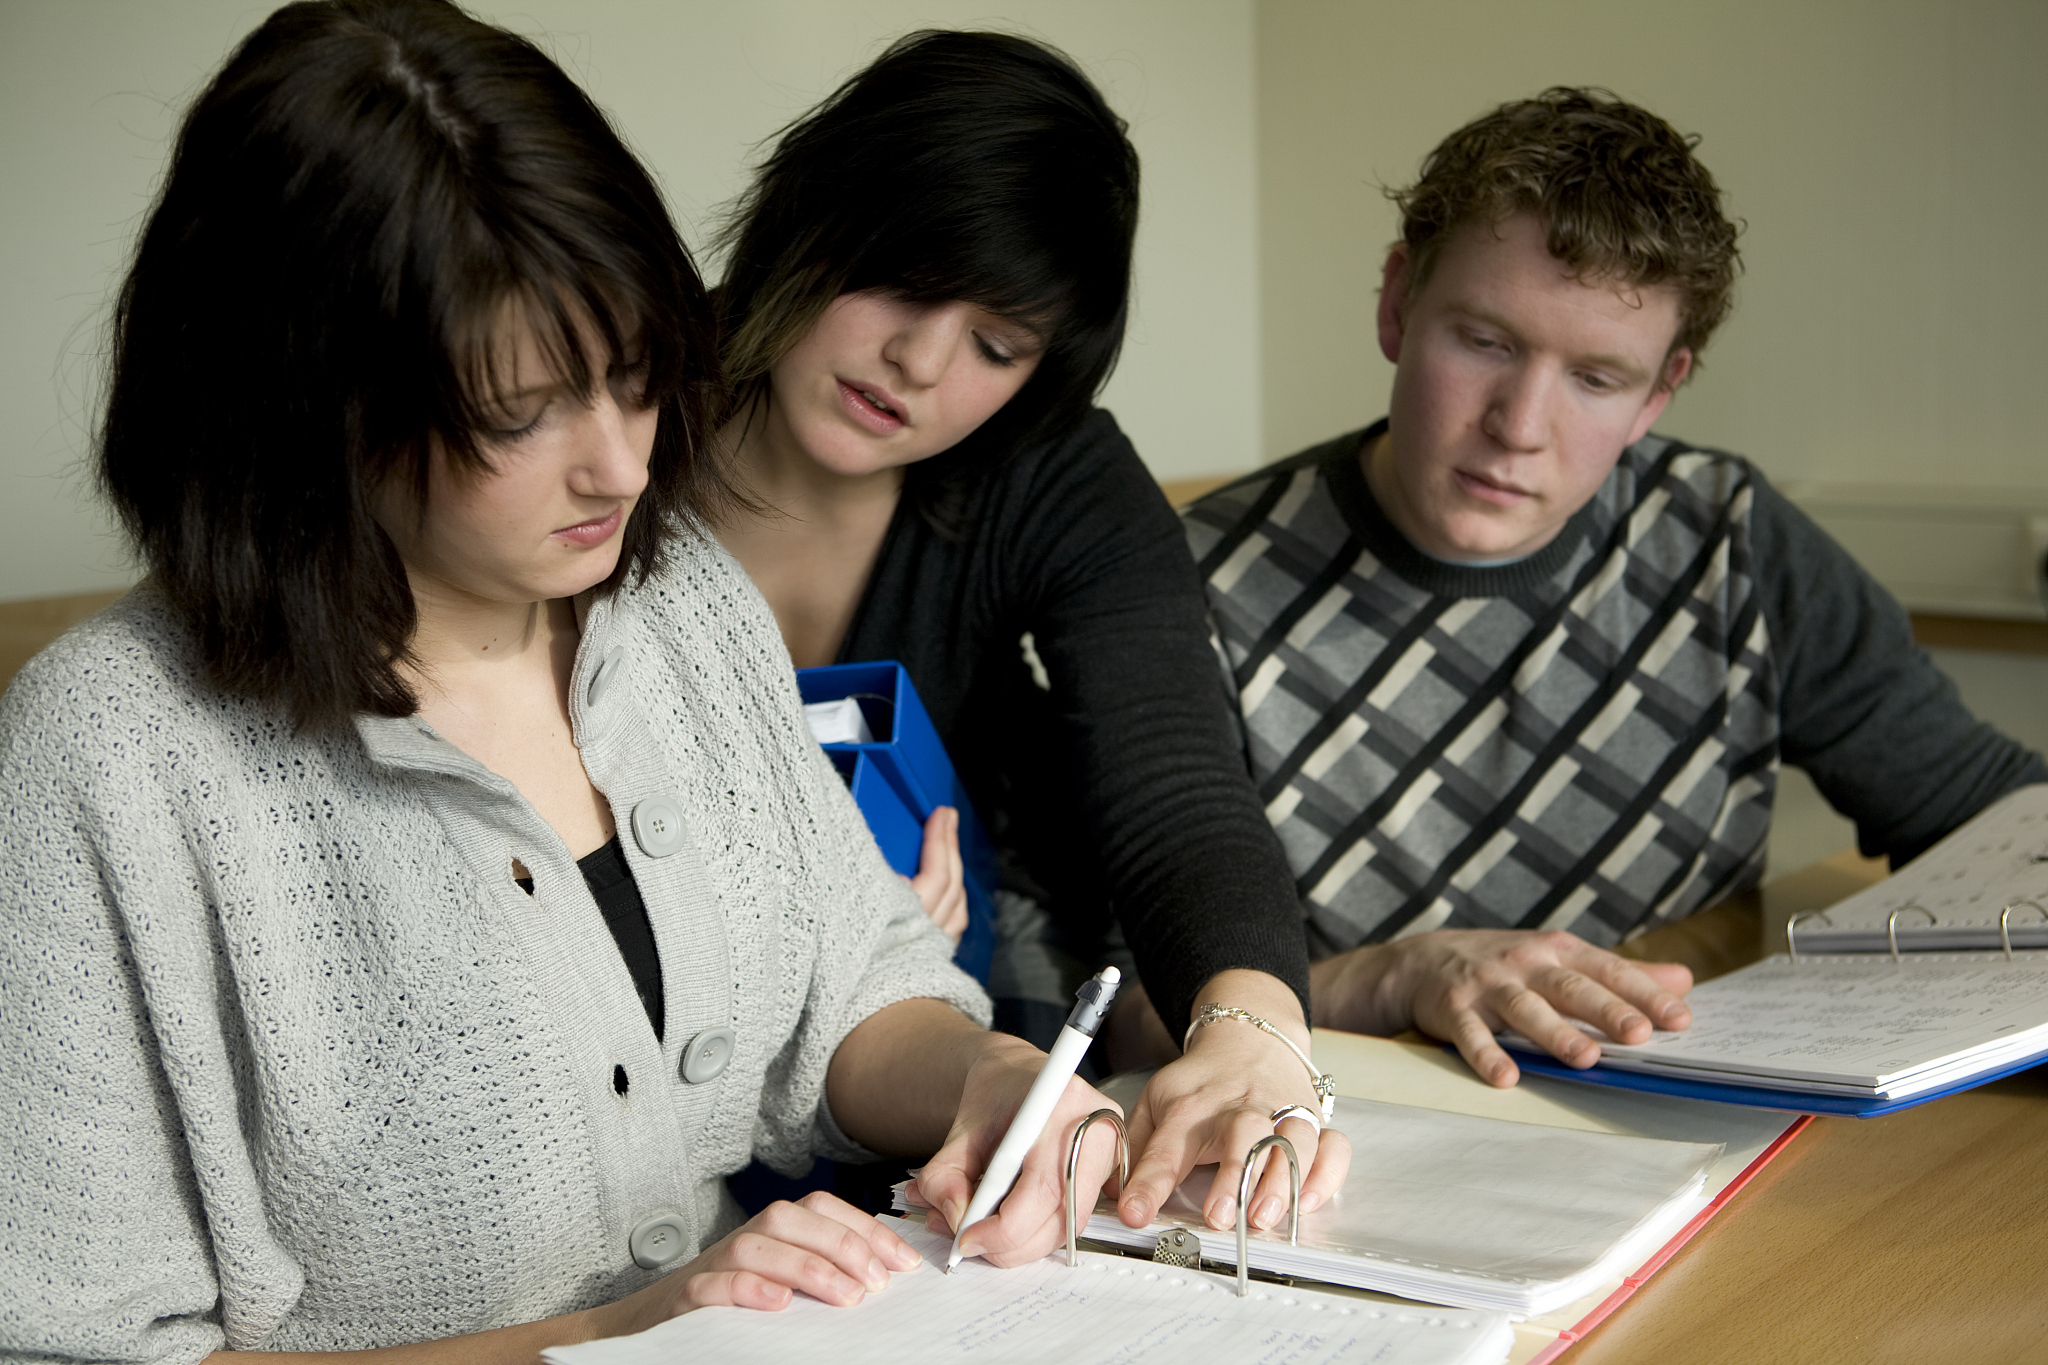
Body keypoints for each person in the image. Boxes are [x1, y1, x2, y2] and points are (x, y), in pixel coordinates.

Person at [0, 3, 1126, 1358]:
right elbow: (73, 1346)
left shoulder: (676, 606)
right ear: (304, 406)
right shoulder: (109, 758)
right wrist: (617, 1330)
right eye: (516, 416)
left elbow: (850, 979)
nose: (625, 468)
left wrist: (993, 1080)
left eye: (640, 376)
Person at [1182, 88, 2048, 1088]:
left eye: (1594, 379)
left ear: (1657, 392)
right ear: (1395, 302)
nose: (1517, 425)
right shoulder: (1193, 584)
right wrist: (1390, 976)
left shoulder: (1725, 537)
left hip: (1674, 1113)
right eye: (1483, 341)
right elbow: (1097, 1007)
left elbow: (1989, 818)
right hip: (1337, 1131)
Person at [709, 29, 1348, 1236]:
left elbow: (1172, 776)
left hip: (915, 1092)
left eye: (996, 347)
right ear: (809, 215)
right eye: (898, 282)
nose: (917, 360)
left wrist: (1250, 1023)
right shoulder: (595, 426)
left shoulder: (1043, 472)